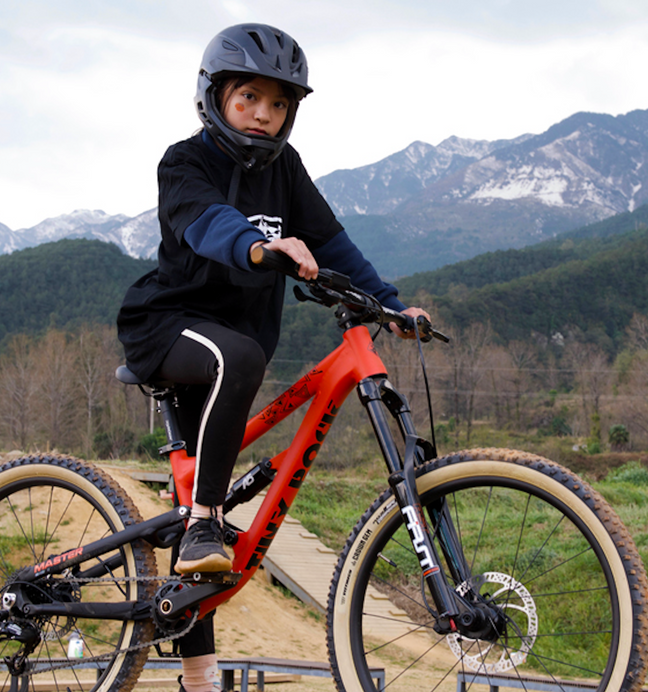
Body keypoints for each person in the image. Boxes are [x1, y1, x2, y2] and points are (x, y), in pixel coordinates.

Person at [116, 23, 429, 692]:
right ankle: (203, 524)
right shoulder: (184, 161)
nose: (264, 114)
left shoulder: (285, 171)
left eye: (279, 104)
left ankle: (198, 671)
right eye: (249, 97)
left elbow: (333, 244)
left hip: (233, 349)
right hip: (169, 326)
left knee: (219, 424)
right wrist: (262, 248)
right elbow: (206, 223)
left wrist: (392, 305)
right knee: (237, 370)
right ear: (216, 97)